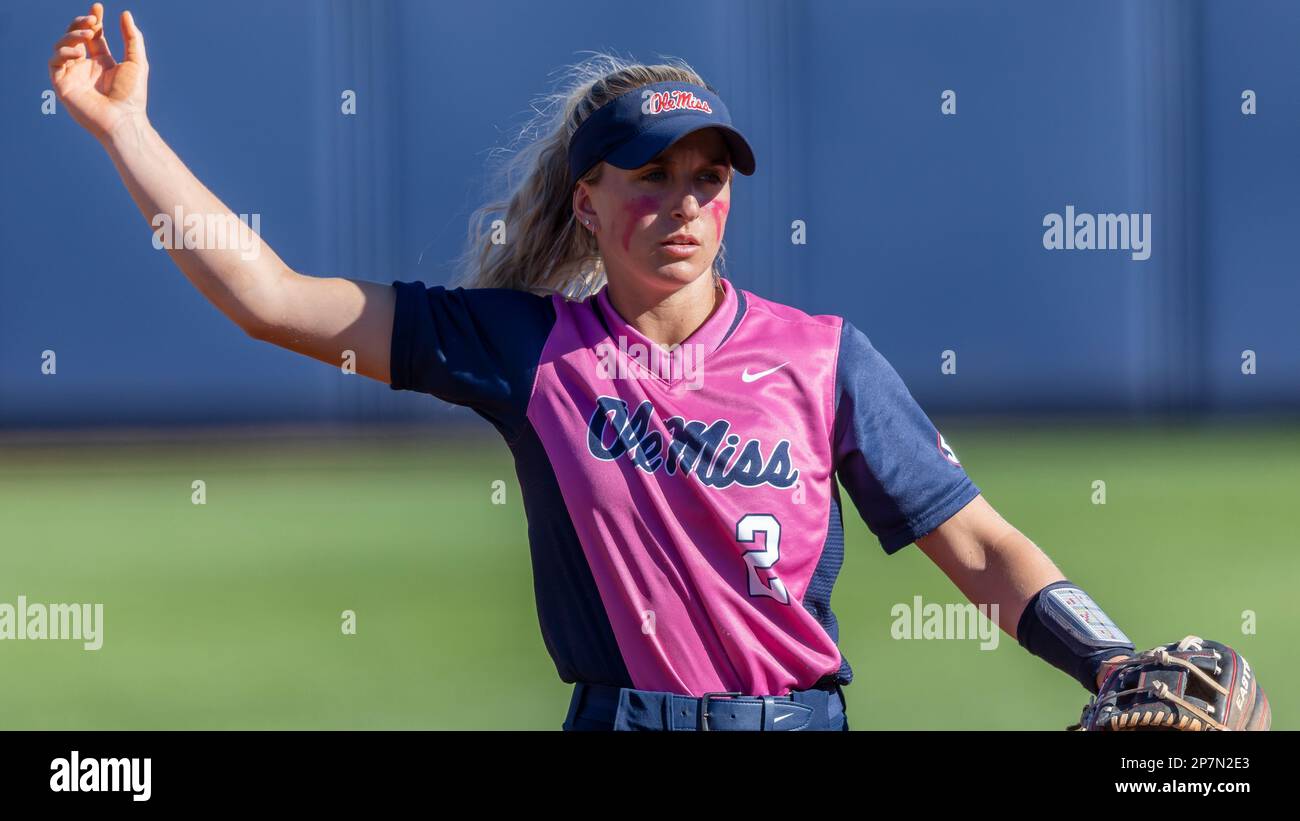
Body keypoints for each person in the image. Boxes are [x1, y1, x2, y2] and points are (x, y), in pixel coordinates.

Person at [50, 5, 1135, 731]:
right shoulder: (529, 349)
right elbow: (272, 300)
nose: (685, 204)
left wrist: (1112, 661)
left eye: (708, 178)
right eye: (650, 176)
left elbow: (980, 544)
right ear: (588, 201)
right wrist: (124, 129)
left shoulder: (821, 356)